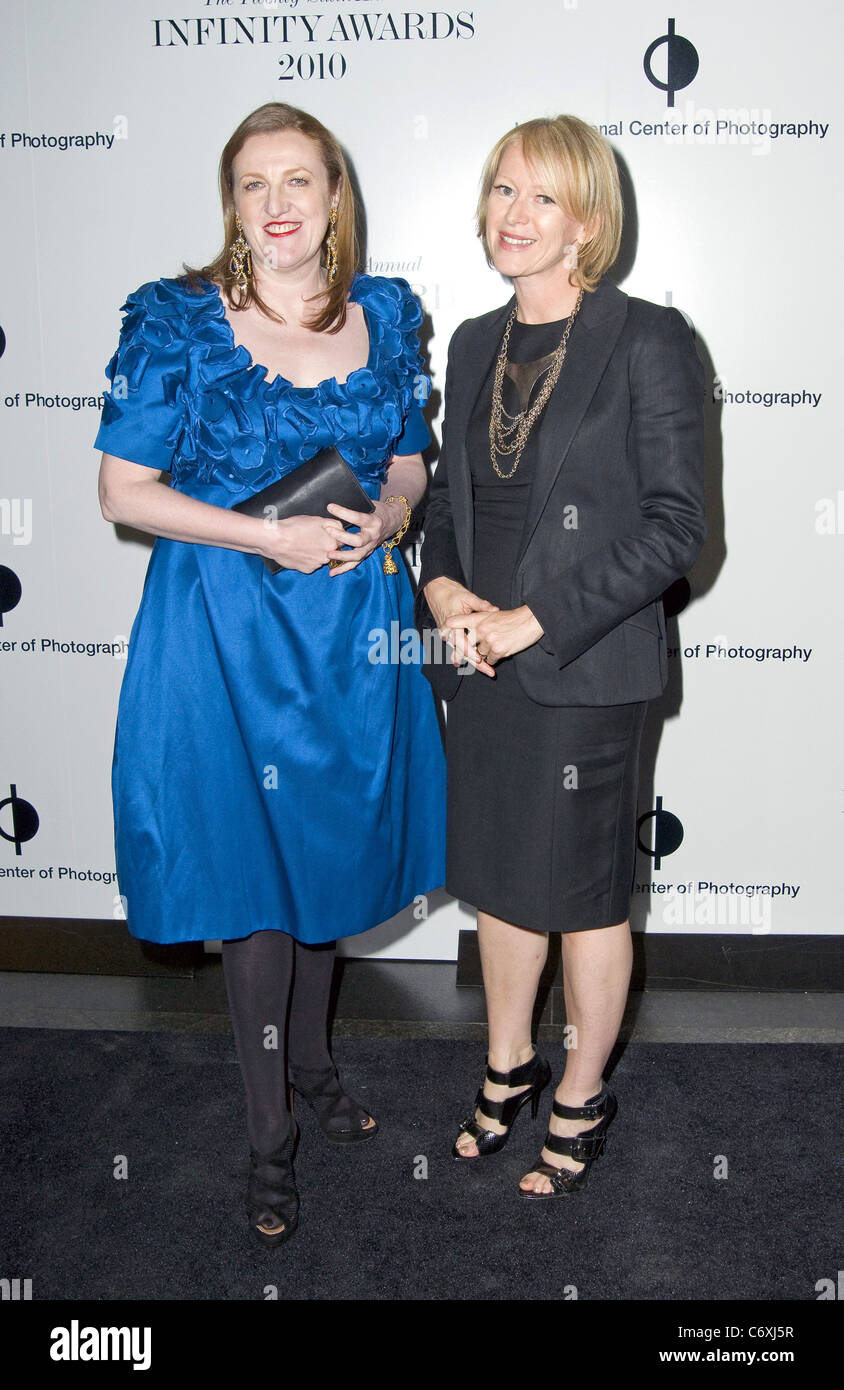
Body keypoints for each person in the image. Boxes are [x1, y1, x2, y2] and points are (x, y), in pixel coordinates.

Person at [95, 102, 445, 1244]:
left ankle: (315, 1065)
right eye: (256, 184)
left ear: (336, 195)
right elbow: (122, 491)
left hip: (348, 635)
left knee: (323, 868)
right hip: (225, 631)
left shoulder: (386, 315)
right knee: (255, 889)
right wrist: (269, 539)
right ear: (232, 203)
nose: (281, 203)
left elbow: (406, 458)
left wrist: (393, 514)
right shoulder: (179, 321)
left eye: (301, 180)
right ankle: (268, 1136)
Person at [417, 115, 705, 1198]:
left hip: (583, 669)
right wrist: (440, 588)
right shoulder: (470, 343)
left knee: (583, 892)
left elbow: (676, 527)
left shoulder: (647, 341)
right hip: (480, 667)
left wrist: (535, 619)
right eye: (500, 191)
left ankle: (582, 1084)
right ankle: (506, 1062)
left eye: (540, 197)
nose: (512, 216)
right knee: (498, 883)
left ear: (587, 218)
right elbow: (452, 501)